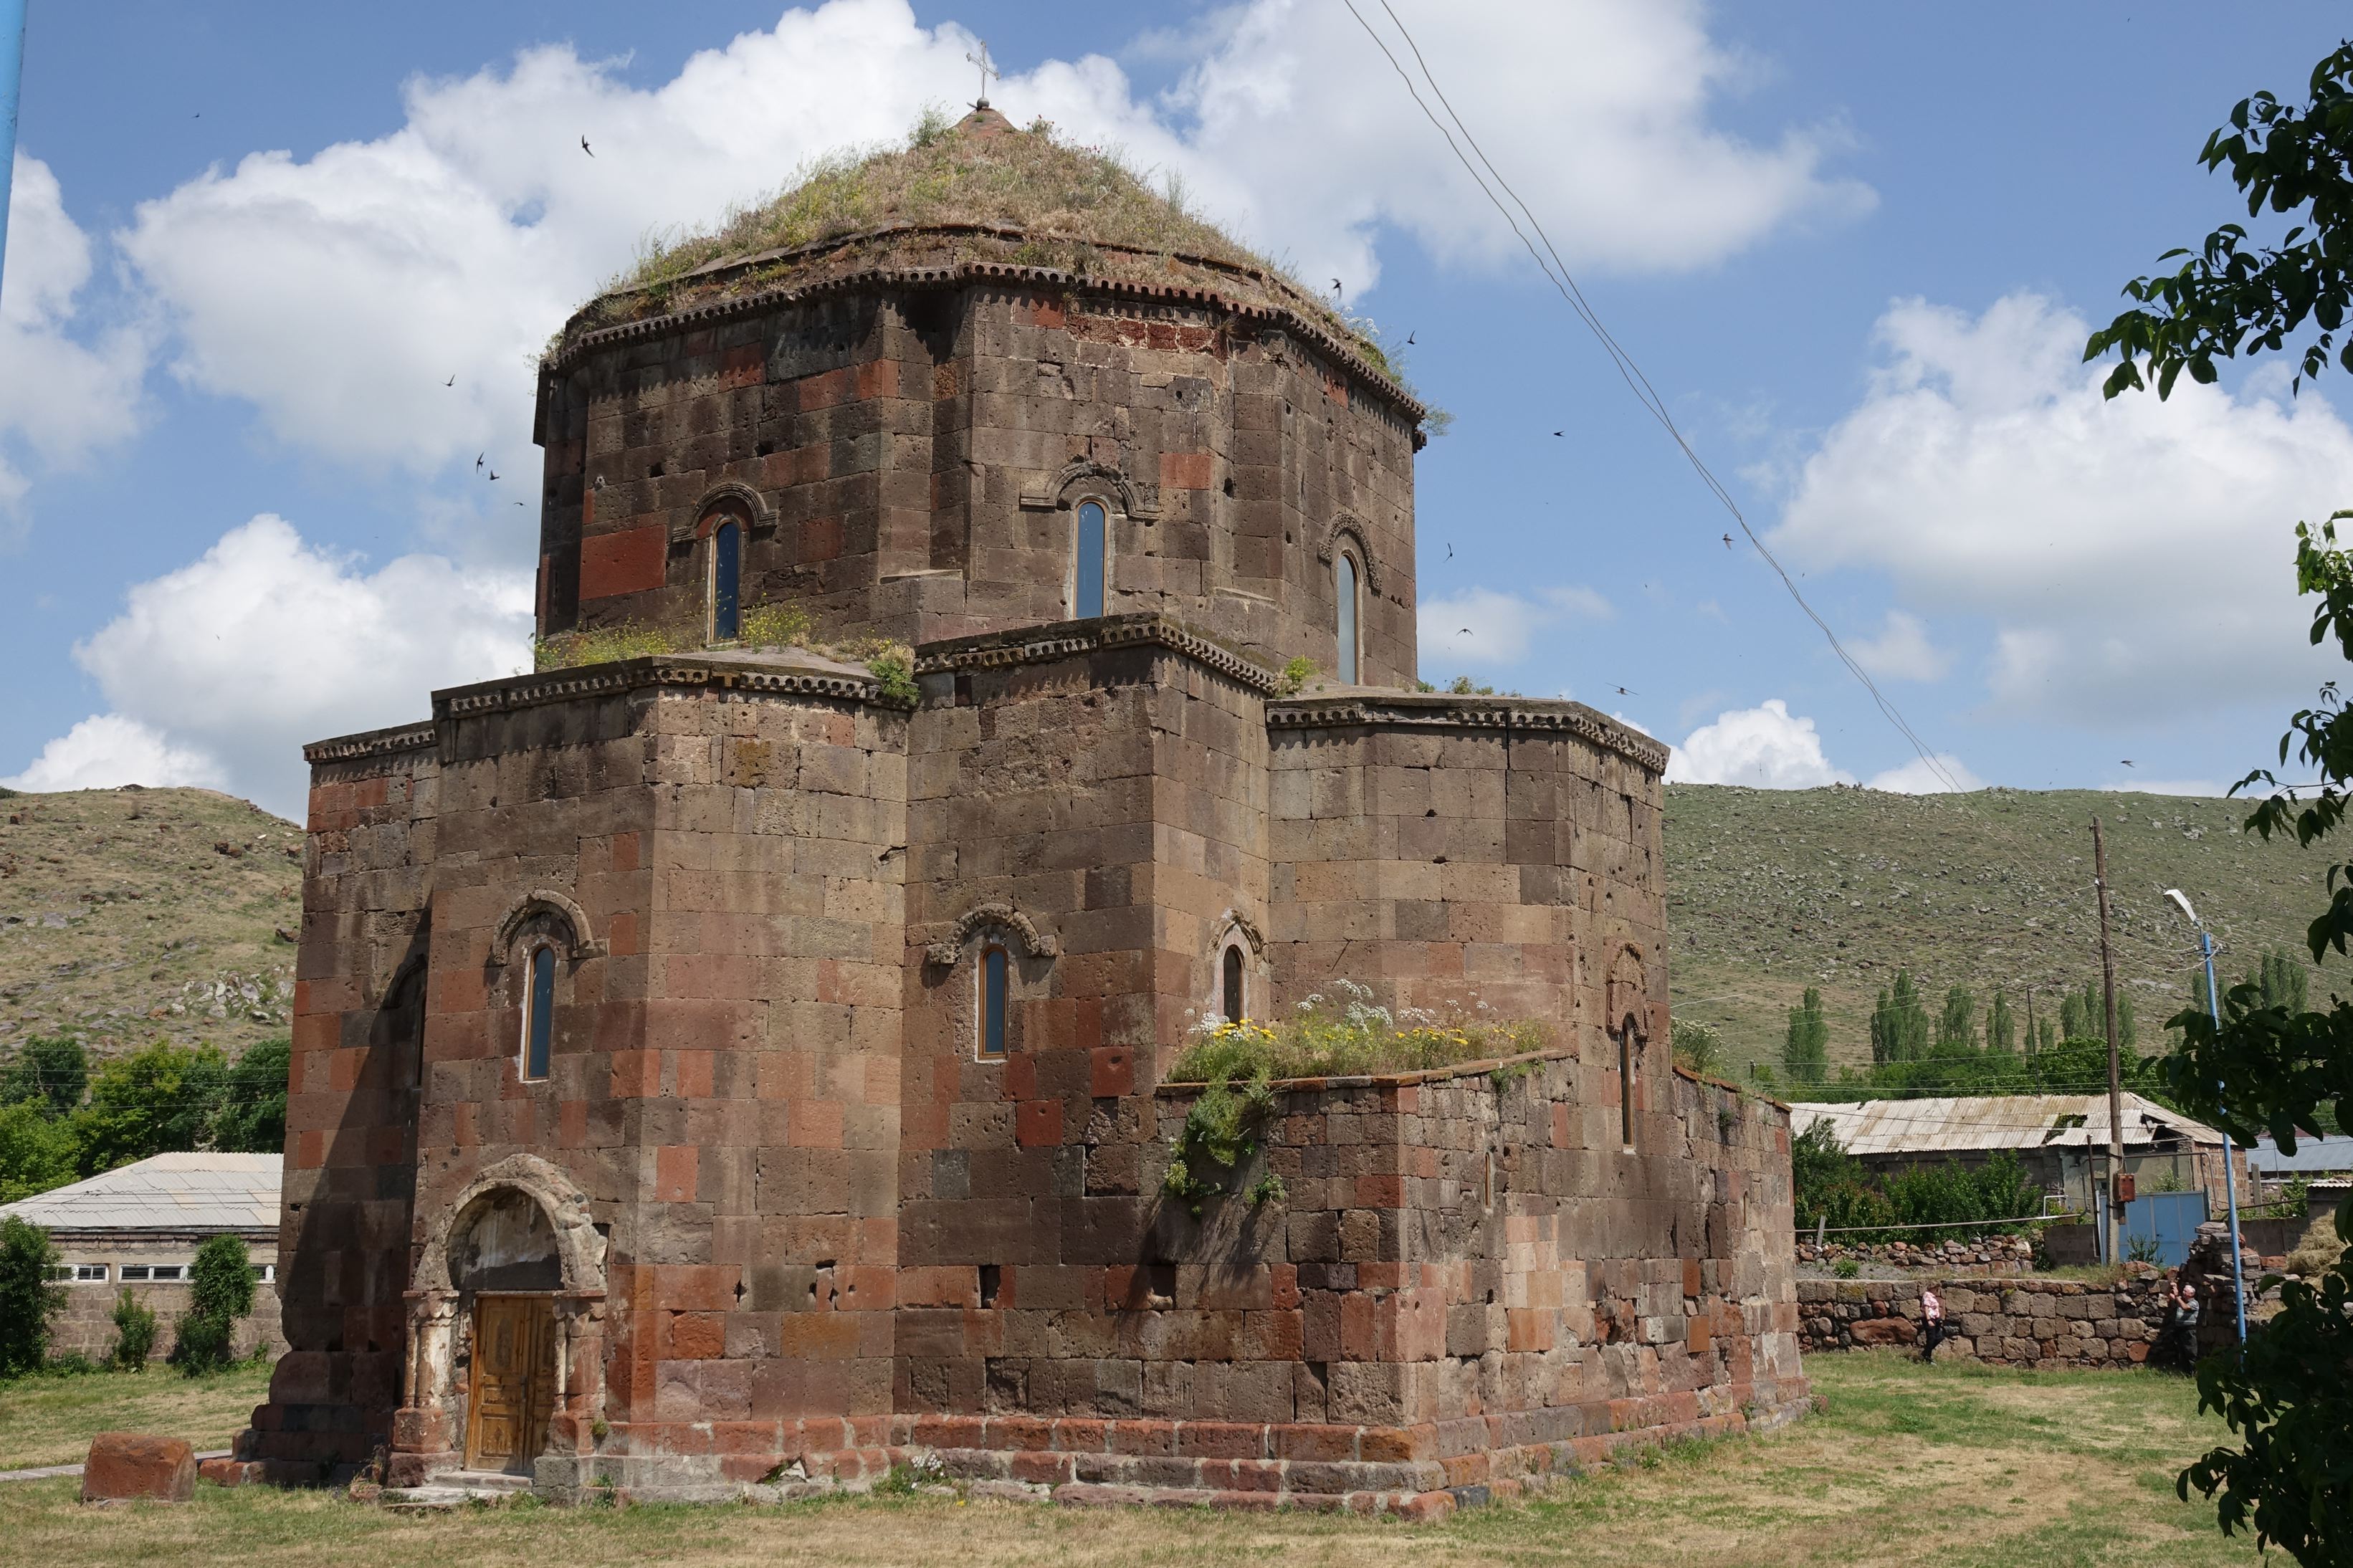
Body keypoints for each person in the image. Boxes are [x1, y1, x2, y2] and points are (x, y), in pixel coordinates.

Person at [1919, 1284, 1947, 1362]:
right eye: (1936, 1289)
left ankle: (1925, 1353)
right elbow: (1926, 1308)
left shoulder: (1932, 1296)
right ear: (1932, 1288)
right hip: (1929, 1319)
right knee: (1931, 1339)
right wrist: (1929, 1320)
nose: (1938, 1291)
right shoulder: (1927, 1295)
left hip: (1935, 1319)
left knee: (1939, 1337)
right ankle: (1928, 1357)